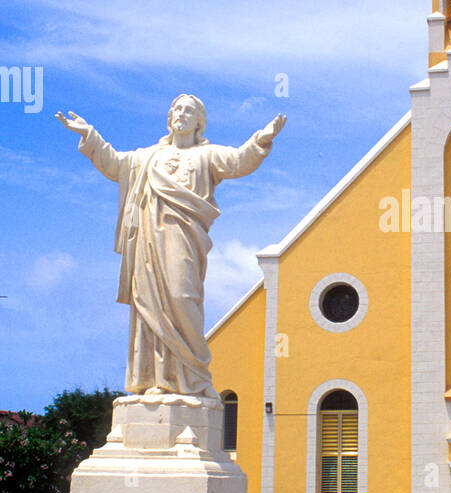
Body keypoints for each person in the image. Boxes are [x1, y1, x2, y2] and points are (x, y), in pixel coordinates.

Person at [56, 94, 285, 397]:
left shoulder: (207, 155)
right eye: (176, 109)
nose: (180, 113)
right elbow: (114, 164)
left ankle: (193, 377)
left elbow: (240, 160)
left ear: (198, 122)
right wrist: (90, 135)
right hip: (148, 244)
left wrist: (261, 139)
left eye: (188, 110)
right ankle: (156, 380)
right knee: (149, 304)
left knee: (182, 296)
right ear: (169, 118)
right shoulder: (146, 157)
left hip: (185, 239)